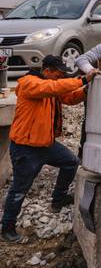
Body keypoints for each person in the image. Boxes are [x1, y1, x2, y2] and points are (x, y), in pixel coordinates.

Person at [1, 55, 86, 243]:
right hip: (26, 147)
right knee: (19, 189)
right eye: (58, 73)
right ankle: (7, 228)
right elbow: (53, 88)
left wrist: (85, 91)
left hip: (45, 144)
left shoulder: (50, 85)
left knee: (71, 163)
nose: (60, 77)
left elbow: (69, 97)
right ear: (47, 70)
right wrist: (83, 79)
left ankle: (58, 199)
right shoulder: (30, 83)